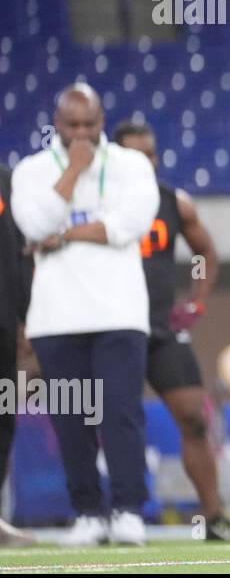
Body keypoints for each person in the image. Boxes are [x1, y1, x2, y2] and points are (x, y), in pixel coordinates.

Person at [10, 83, 159, 545]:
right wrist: (72, 172)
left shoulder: (130, 164)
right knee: (72, 419)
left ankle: (130, 510)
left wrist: (65, 234)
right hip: (56, 318)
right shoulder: (32, 170)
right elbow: (33, 225)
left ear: (102, 122)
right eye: (72, 126)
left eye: (90, 125)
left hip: (120, 312)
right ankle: (89, 514)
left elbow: (130, 223)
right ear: (56, 124)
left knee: (120, 413)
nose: (81, 134)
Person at [112, 120, 230, 541]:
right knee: (108, 421)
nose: (146, 163)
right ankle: (112, 515)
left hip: (160, 327)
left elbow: (206, 252)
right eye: (135, 156)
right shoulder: (99, 200)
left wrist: (196, 299)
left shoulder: (173, 201)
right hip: (112, 327)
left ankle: (213, 518)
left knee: (194, 418)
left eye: (151, 154)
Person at [0, 161, 34, 546]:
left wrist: (25, 315)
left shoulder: (9, 181)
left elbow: (20, 252)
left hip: (4, 319)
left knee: (3, 418)